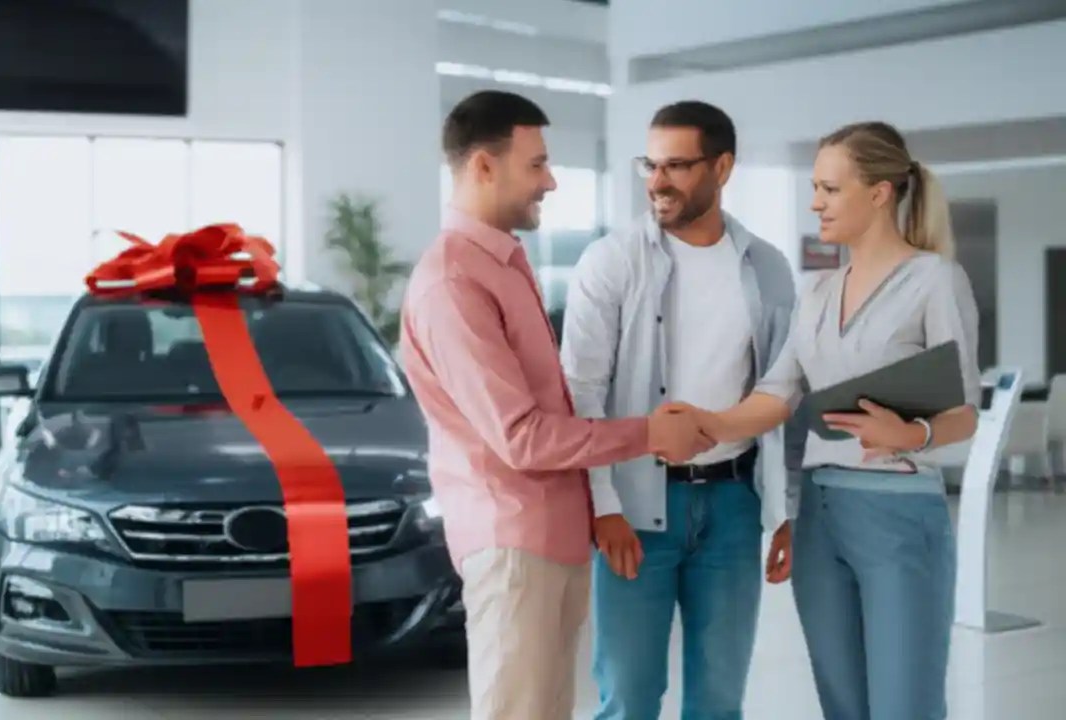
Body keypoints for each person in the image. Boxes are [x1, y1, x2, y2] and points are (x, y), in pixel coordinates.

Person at [398, 89, 714, 720]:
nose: (550, 181)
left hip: (548, 540)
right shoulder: (454, 282)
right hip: (514, 544)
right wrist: (648, 434)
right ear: (484, 166)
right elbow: (521, 436)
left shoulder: (503, 262)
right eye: (536, 164)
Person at [677, 120, 981, 720]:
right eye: (814, 187)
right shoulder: (817, 292)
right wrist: (707, 424)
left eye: (830, 189)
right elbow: (777, 394)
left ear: (880, 192)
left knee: (904, 707)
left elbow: (964, 413)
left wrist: (912, 434)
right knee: (843, 706)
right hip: (820, 516)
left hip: (899, 514)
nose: (815, 201)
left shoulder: (934, 280)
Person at [559, 100, 805, 720]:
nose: (657, 181)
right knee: (630, 698)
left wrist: (782, 511)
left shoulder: (768, 268)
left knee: (720, 702)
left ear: (722, 167)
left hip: (733, 504)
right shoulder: (611, 263)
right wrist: (604, 505)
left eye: (677, 166)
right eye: (651, 164)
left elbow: (784, 394)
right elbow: (580, 393)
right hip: (637, 509)